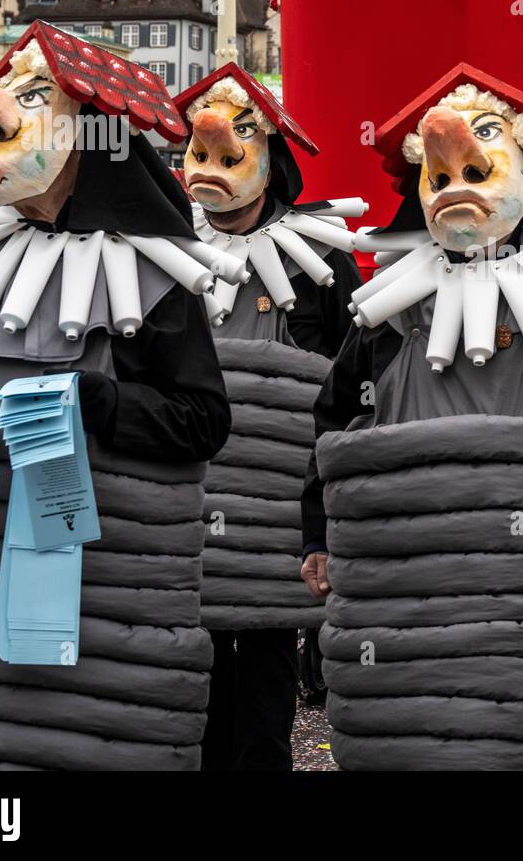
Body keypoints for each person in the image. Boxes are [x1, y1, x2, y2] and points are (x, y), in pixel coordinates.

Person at [0, 22, 230, 769]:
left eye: (35, 102)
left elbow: (202, 422)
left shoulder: (155, 280)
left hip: (102, 601)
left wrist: (108, 405)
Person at [301, 63, 523, 769]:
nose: (456, 189)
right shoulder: (385, 314)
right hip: (411, 600)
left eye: (478, 167)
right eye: (439, 179)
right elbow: (335, 425)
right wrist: (318, 532)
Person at [171, 63, 363, 771]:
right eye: (200, 153)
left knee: (266, 658)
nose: (213, 172)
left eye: (232, 154)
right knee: (197, 662)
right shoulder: (168, 250)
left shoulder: (319, 256)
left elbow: (346, 375)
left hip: (280, 499)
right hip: (192, 488)